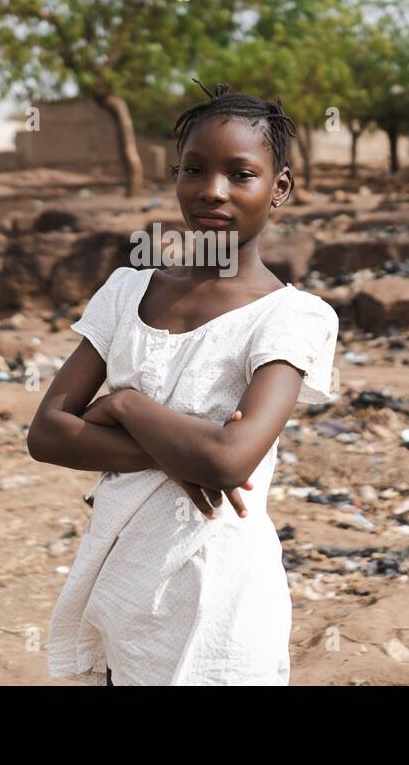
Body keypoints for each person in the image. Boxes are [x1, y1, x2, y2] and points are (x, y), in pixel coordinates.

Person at [29, 83, 339, 685]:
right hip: (120, 583)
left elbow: (229, 460)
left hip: (219, 597)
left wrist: (124, 402)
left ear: (280, 188)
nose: (212, 190)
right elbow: (47, 433)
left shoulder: (292, 316)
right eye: (194, 169)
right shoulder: (127, 291)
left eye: (240, 174)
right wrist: (183, 456)